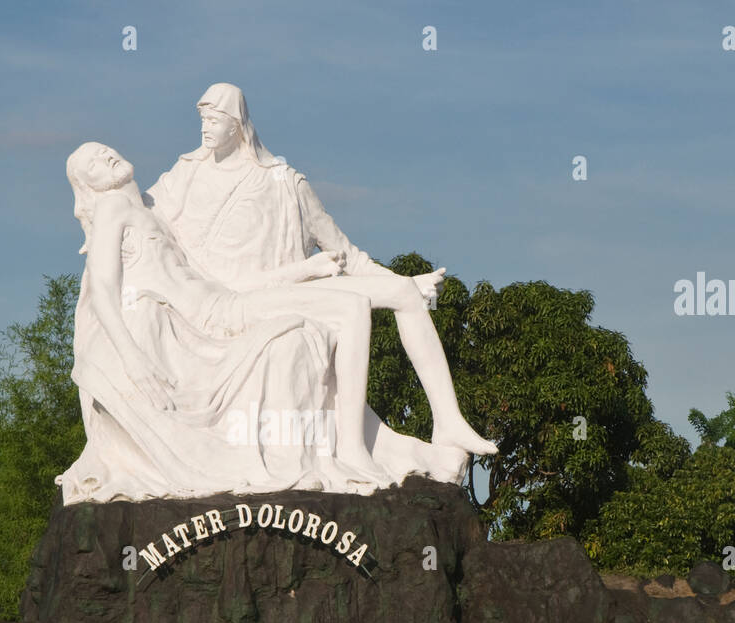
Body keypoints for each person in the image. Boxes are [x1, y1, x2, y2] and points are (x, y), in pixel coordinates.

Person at [57, 142, 462, 504]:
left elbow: (220, 282)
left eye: (104, 148)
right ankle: (353, 449)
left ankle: (422, 428)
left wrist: (304, 270)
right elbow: (105, 293)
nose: (104, 155)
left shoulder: (153, 212)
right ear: (87, 185)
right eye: (92, 161)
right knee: (351, 308)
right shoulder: (113, 208)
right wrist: (132, 359)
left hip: (229, 302)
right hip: (216, 318)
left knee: (364, 304)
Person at [145, 82, 498, 458]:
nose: (205, 128)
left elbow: (348, 255)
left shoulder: (285, 183)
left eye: (214, 120)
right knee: (351, 309)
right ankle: (351, 448)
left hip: (281, 293)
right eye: (203, 119)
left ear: (237, 124)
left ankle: (448, 423)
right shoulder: (184, 176)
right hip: (230, 301)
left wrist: (405, 280)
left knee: (405, 296)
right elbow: (139, 216)